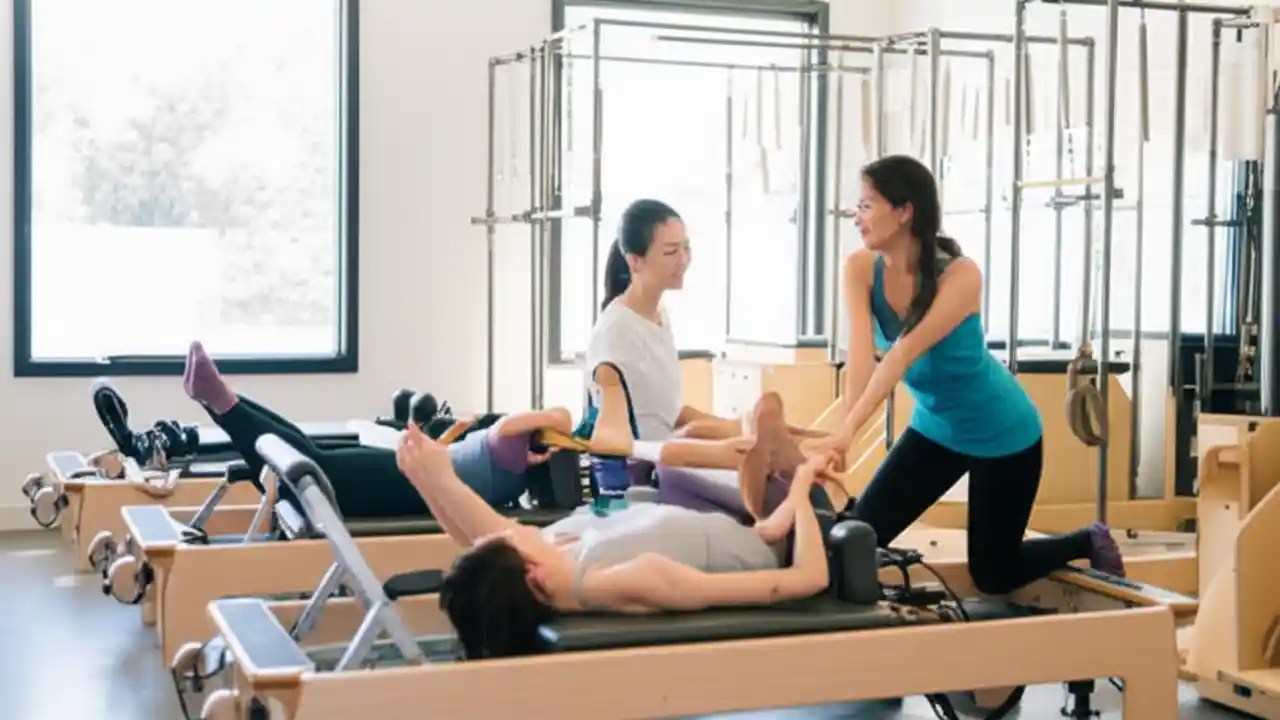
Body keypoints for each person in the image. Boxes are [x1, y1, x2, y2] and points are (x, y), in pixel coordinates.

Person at [809, 154, 1125, 594]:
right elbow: (862, 359)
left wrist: (847, 435)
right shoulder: (860, 269)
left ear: (904, 212)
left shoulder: (960, 276)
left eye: (866, 205)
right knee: (857, 538)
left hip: (1004, 434)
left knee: (994, 572)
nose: (856, 216)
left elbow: (901, 356)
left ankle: (1086, 539)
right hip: (937, 429)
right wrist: (842, 433)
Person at [395, 393, 838, 659]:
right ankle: (786, 457)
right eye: (508, 537)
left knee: (683, 449)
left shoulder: (558, 561)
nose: (510, 526)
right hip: (772, 526)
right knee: (700, 448)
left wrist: (427, 480)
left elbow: (475, 534)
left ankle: (770, 445)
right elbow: (807, 577)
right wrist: (801, 487)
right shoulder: (635, 578)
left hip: (698, 505)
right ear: (533, 575)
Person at [584, 198, 839, 523]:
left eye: (686, 248)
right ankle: (779, 454)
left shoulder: (657, 315)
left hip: (673, 445)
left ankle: (784, 444)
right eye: (670, 251)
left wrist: (733, 429)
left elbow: (669, 412)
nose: (684, 260)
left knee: (730, 431)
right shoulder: (616, 331)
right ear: (635, 261)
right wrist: (712, 448)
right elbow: (608, 439)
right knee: (708, 440)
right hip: (652, 467)